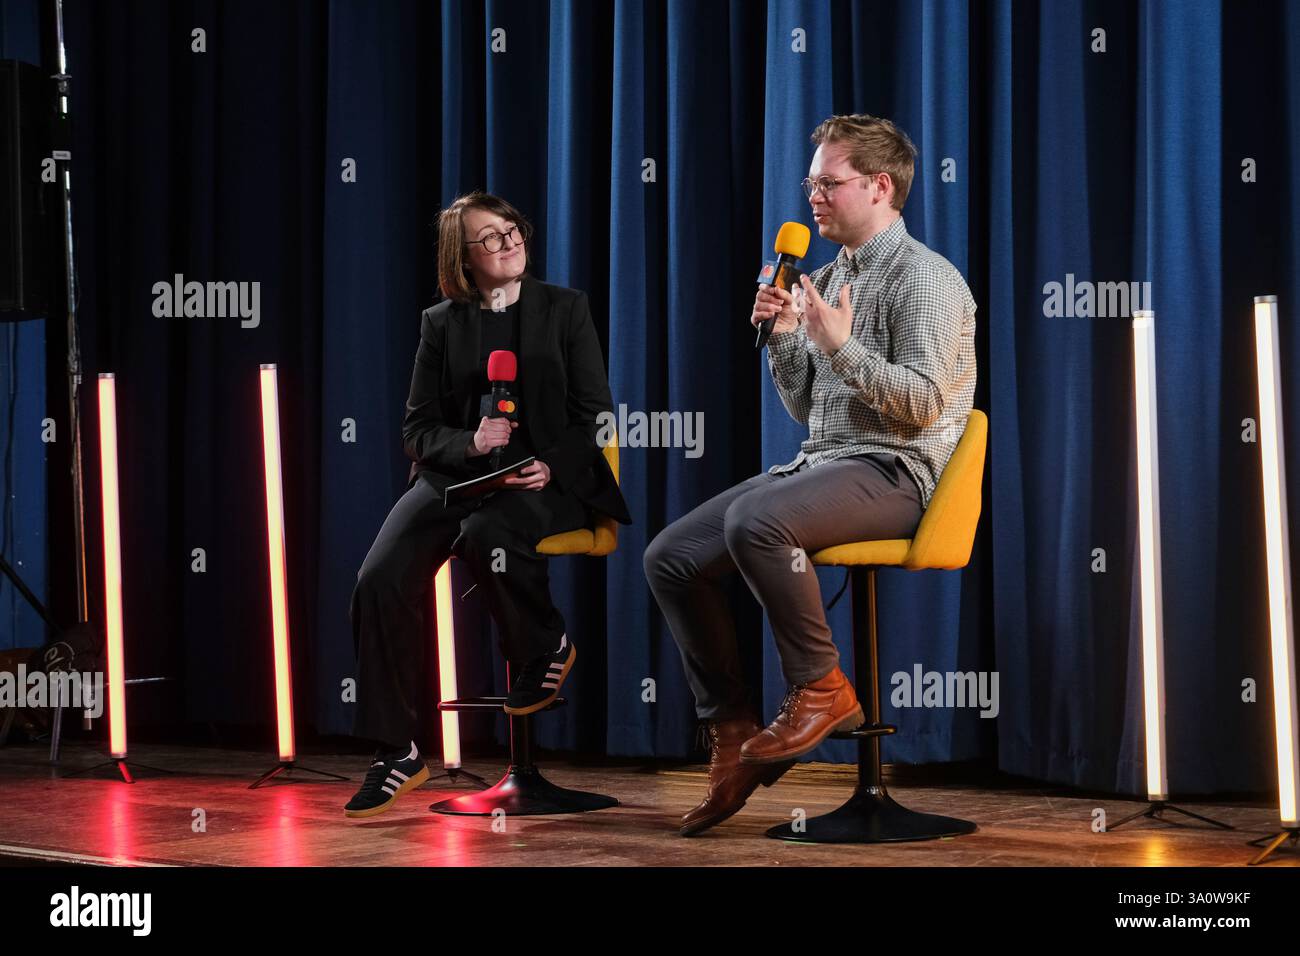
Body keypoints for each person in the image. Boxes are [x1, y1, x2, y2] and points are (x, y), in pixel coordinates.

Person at [644, 114, 977, 836]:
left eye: (829, 183)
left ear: (880, 187)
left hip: (899, 475)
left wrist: (843, 345)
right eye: (811, 183)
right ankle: (733, 737)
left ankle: (821, 689)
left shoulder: (925, 278)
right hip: (827, 463)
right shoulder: (824, 277)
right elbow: (809, 410)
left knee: (756, 522)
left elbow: (921, 408)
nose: (813, 197)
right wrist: (787, 340)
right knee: (669, 557)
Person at [345, 191, 631, 818]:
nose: (509, 243)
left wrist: (549, 463)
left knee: (489, 538)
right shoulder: (440, 324)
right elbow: (417, 431)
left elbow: (594, 416)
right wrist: (471, 442)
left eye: (512, 230)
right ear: (462, 259)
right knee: (378, 580)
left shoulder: (565, 309)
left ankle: (545, 645)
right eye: (491, 238)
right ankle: (396, 750)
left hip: (543, 480)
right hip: (455, 478)